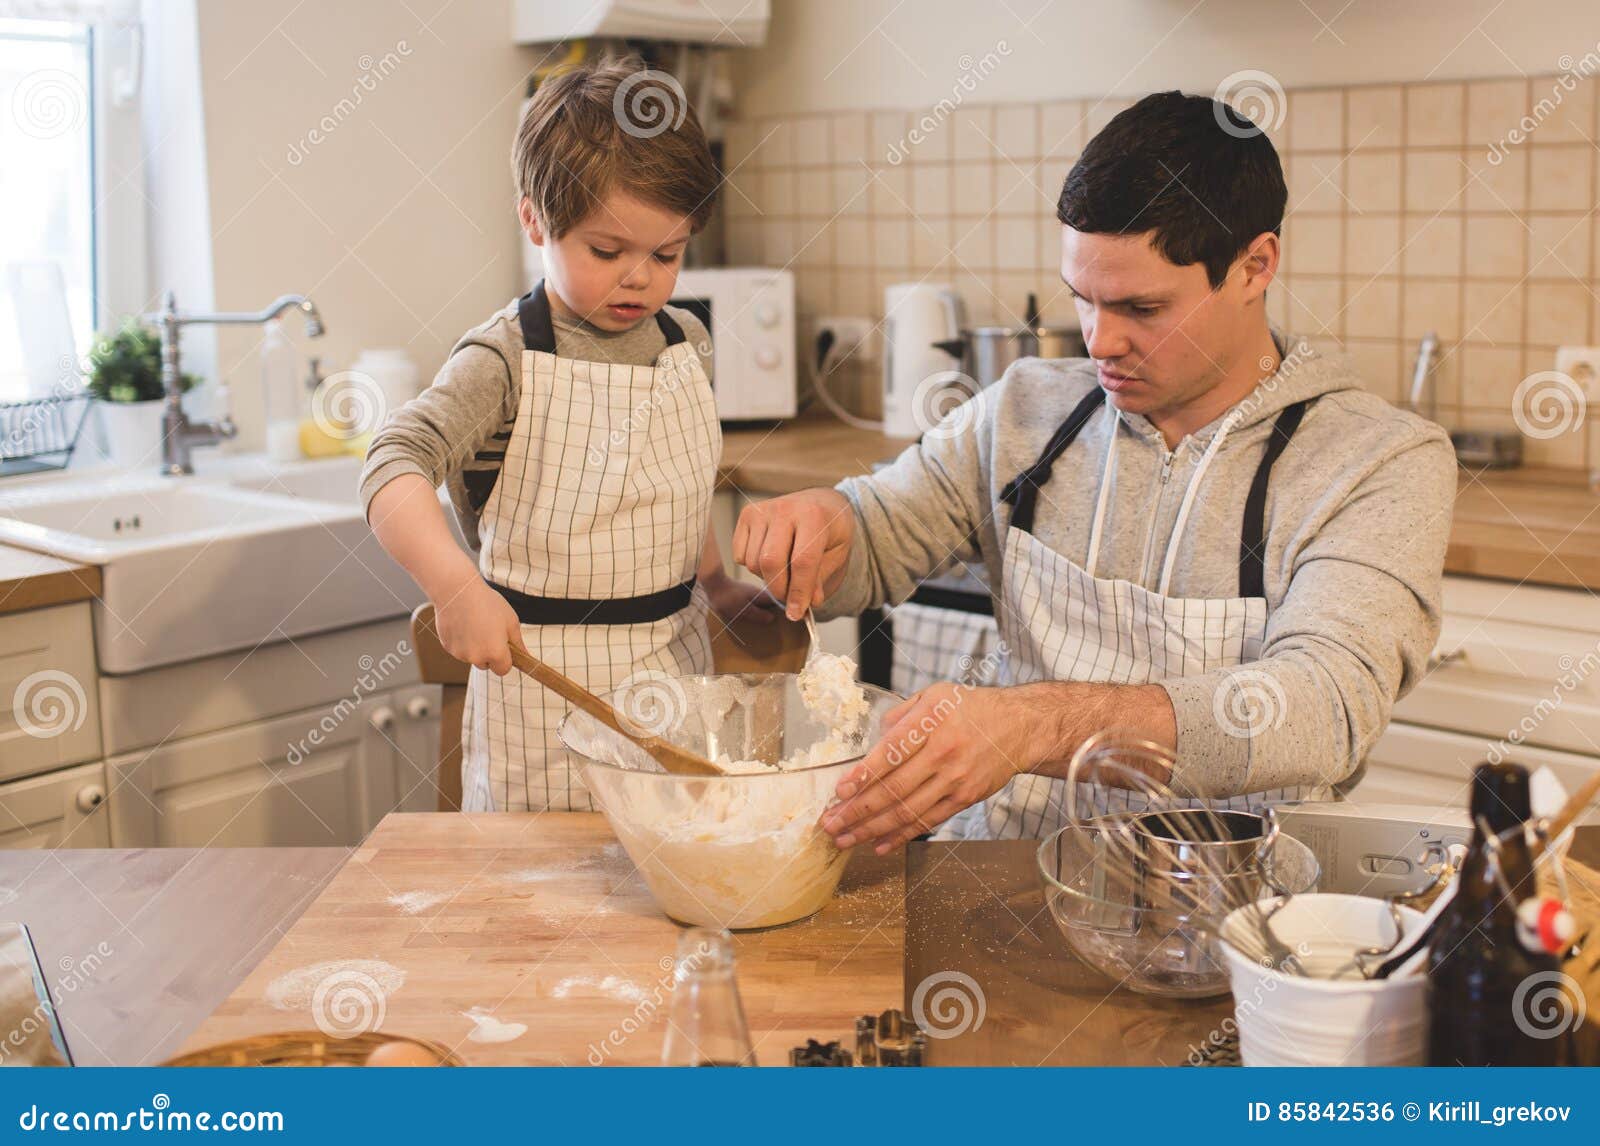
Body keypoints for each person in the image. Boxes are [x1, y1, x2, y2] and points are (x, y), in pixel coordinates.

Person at [734, 90, 1458, 853]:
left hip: (1238, 911)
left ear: (1255, 265)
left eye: (1141, 308)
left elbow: (1323, 706)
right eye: (1083, 299)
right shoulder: (1024, 412)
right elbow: (881, 530)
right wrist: (827, 525)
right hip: (1004, 882)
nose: (1099, 340)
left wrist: (1031, 723)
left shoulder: (1375, 461)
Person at [360, 57, 771, 813]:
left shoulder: (686, 340)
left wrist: (714, 582)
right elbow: (391, 464)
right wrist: (455, 588)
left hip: (672, 677)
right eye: (607, 252)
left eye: (667, 255)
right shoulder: (505, 359)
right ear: (534, 221)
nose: (639, 279)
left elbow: (676, 487)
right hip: (542, 702)